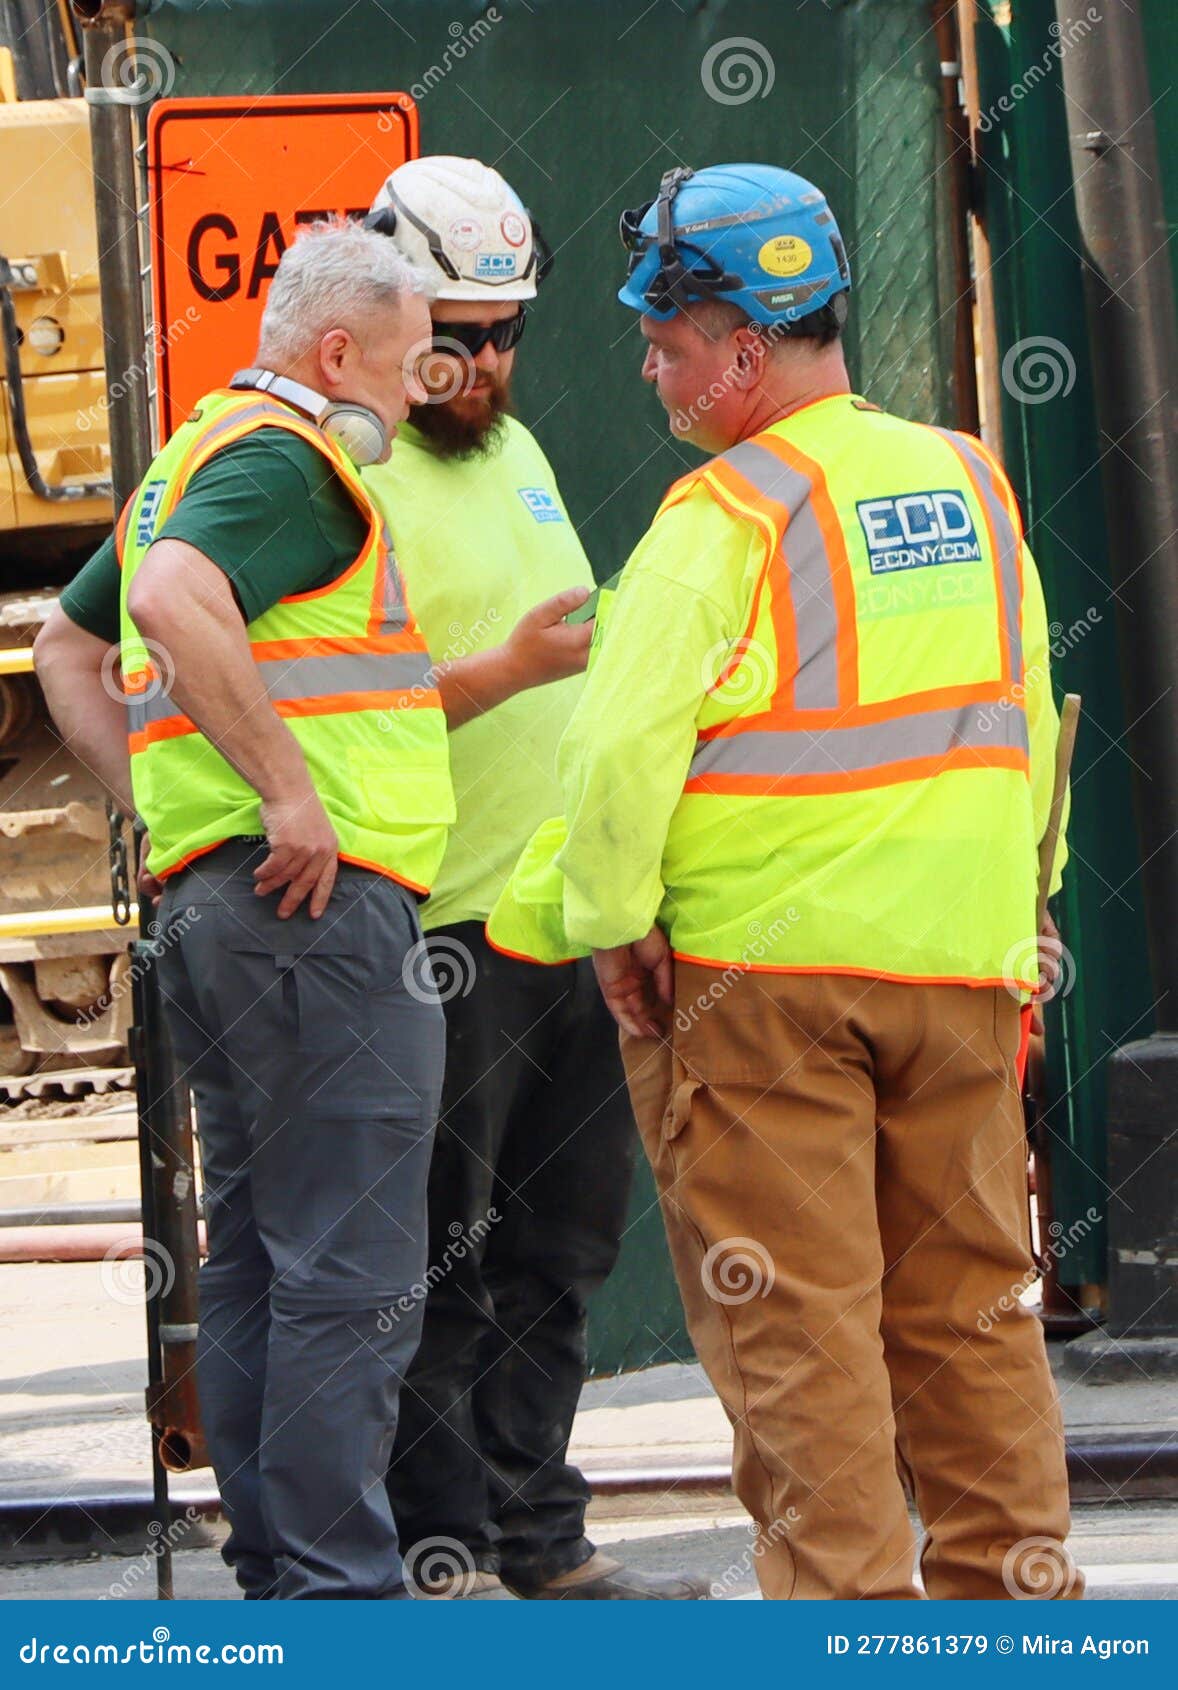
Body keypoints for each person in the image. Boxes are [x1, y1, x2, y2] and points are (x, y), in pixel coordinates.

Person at [489, 163, 1082, 1601]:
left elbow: (619, 753)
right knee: (972, 1317)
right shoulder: (967, 479)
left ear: (741, 341)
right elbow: (1033, 713)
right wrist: (1029, 894)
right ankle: (1008, 1610)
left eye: (666, 338)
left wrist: (609, 924)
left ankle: (843, 1628)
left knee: (799, 1330)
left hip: (761, 994)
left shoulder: (722, 518)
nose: (649, 365)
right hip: (957, 968)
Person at [33, 220, 586, 1600]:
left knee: (267, 1262)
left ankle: (286, 1572)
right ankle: (344, 1588)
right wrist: (279, 791)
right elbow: (166, 599)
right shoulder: (291, 463)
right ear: (336, 353)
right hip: (318, 919)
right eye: (407, 367)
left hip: (234, 913)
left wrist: (177, 818)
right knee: (350, 1267)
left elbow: (66, 644)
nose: (419, 394)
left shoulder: (195, 452)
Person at [361, 157, 705, 1600]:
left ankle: (539, 1544)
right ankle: (442, 1562)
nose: (487, 359)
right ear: (388, 305)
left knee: (553, 1258)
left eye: (507, 329)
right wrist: (507, 671)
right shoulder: (348, 467)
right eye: (460, 328)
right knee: (437, 1272)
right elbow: (323, 707)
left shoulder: (508, 449)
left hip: (556, 920)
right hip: (435, 928)